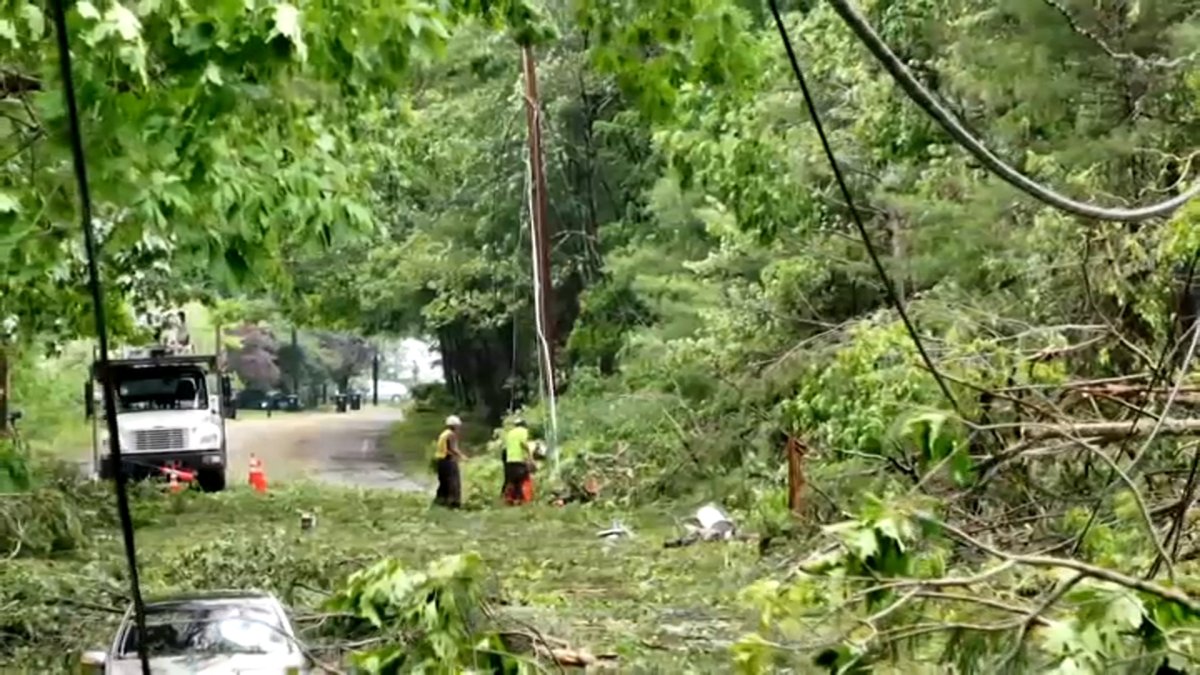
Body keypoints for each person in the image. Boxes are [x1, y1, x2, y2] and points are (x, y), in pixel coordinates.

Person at [433, 415, 465, 508]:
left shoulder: (443, 434)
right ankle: (454, 503)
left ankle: (440, 500)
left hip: (440, 461)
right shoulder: (451, 434)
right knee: (453, 483)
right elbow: (453, 448)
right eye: (458, 426)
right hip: (448, 461)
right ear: (455, 426)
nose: (459, 428)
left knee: (443, 483)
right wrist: (462, 456)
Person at [502, 418, 535, 505]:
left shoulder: (510, 433)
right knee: (524, 479)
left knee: (512, 481)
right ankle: (524, 499)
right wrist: (530, 455)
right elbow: (523, 443)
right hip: (519, 459)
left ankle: (510, 499)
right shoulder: (523, 431)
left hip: (509, 460)